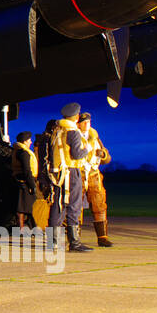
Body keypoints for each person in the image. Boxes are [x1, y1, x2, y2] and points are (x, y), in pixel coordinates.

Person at [48, 102, 92, 252]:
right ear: (77, 116)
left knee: (58, 205)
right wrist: (88, 148)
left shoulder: (58, 129)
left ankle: (53, 242)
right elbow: (77, 154)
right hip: (71, 172)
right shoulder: (72, 130)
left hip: (58, 172)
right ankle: (75, 243)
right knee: (73, 206)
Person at [77, 112, 114, 247]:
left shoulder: (95, 137)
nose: (87, 125)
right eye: (84, 122)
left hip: (93, 174)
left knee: (99, 204)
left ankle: (102, 237)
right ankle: (75, 238)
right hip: (79, 173)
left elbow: (107, 158)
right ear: (78, 124)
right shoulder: (74, 136)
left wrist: (103, 154)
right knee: (76, 206)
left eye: (89, 122)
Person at [10, 131, 39, 232]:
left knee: (22, 207)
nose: (31, 142)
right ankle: (30, 229)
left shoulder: (17, 151)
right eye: (29, 140)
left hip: (20, 181)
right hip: (25, 182)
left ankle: (25, 229)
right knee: (28, 208)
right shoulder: (24, 153)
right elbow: (27, 170)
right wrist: (32, 185)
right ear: (25, 141)